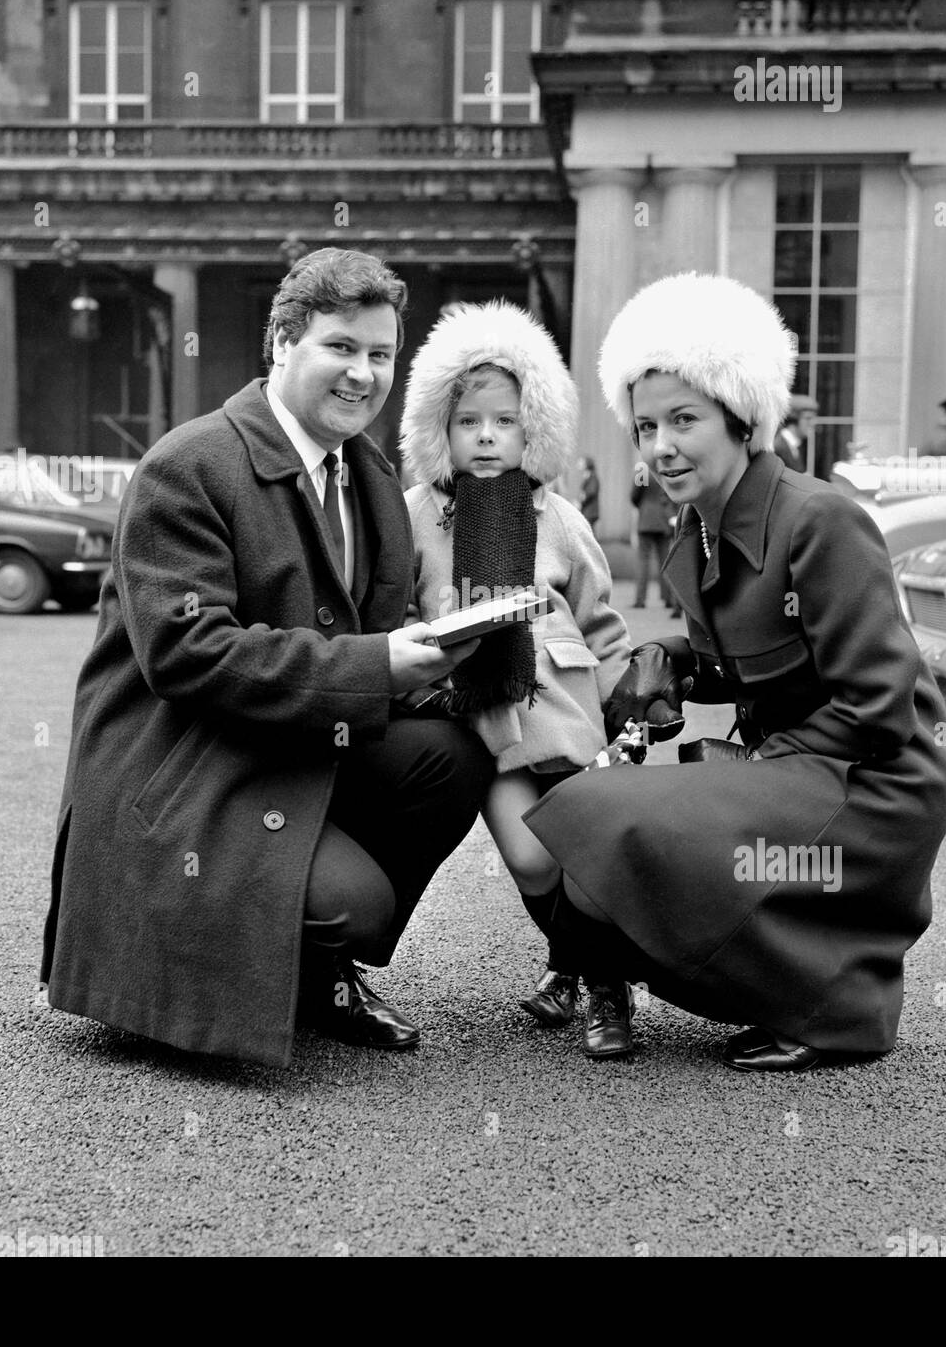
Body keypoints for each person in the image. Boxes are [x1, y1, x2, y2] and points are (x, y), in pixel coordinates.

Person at [40, 248, 495, 1067]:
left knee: (452, 760)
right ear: (281, 343)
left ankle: (312, 968)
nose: (363, 374)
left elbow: (370, 640)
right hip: (183, 767)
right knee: (353, 903)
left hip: (287, 739)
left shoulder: (372, 477)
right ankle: (217, 971)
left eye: (381, 354)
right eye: (340, 348)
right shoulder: (188, 465)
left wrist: (448, 663)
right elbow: (187, 652)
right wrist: (374, 665)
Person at [524, 273, 946, 1068]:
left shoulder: (818, 518)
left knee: (623, 813)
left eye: (684, 420)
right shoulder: (698, 535)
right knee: (600, 804)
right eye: (646, 425)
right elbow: (746, 663)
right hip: (805, 767)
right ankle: (787, 992)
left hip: (877, 779)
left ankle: (838, 1013)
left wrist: (751, 763)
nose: (660, 447)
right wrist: (674, 660)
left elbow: (879, 704)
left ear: (743, 417)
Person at [398, 301, 631, 1030]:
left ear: (535, 427)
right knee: (533, 862)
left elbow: (602, 622)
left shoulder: (560, 517)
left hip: (566, 713)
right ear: (440, 429)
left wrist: (633, 702)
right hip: (486, 719)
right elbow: (395, 613)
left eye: (505, 421)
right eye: (469, 422)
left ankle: (605, 989)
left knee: (589, 864)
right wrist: (430, 647)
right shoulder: (411, 515)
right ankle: (575, 964)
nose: (488, 437)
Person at [629, 471, 679, 612]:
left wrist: (643, 505)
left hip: (646, 518)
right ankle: (668, 599)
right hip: (664, 519)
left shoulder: (642, 469)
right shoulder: (664, 466)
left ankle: (640, 599)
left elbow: (635, 495)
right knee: (665, 560)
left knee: (643, 561)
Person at [774, 392, 816, 473]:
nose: (812, 423)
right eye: (808, 418)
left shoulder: (794, 446)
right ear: (794, 419)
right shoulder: (778, 447)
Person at [577, 455, 600, 532]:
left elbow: (591, 492)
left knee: (589, 533)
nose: (578, 464)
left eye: (581, 462)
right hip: (587, 510)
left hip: (590, 511)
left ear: (586, 465)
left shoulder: (592, 476)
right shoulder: (587, 477)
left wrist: (580, 502)